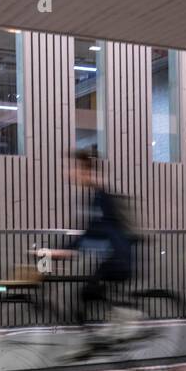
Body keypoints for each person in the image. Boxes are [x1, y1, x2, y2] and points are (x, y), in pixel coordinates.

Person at [44, 150, 142, 357]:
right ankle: (95, 336)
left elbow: (99, 232)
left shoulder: (101, 196)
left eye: (73, 168)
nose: (69, 172)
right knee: (85, 293)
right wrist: (63, 250)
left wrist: (63, 251)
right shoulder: (95, 196)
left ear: (86, 170)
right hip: (109, 258)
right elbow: (89, 233)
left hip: (117, 259)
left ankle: (124, 315)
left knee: (86, 293)